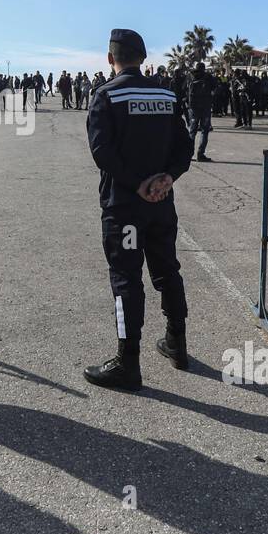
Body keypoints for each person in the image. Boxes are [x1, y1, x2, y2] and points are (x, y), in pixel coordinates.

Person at [83, 28, 194, 391]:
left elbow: (102, 153)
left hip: (126, 207)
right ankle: (177, 343)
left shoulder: (106, 96)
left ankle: (127, 362)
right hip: (161, 205)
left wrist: (137, 185)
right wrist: (167, 179)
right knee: (168, 270)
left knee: (126, 279)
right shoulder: (166, 95)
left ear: (110, 58)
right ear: (143, 59)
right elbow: (184, 146)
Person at [188, 62, 215, 162]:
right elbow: (214, 88)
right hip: (205, 107)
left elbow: (185, 89)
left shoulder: (190, 76)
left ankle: (188, 154)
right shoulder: (208, 77)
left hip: (193, 108)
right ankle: (200, 154)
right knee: (204, 131)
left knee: (192, 132)